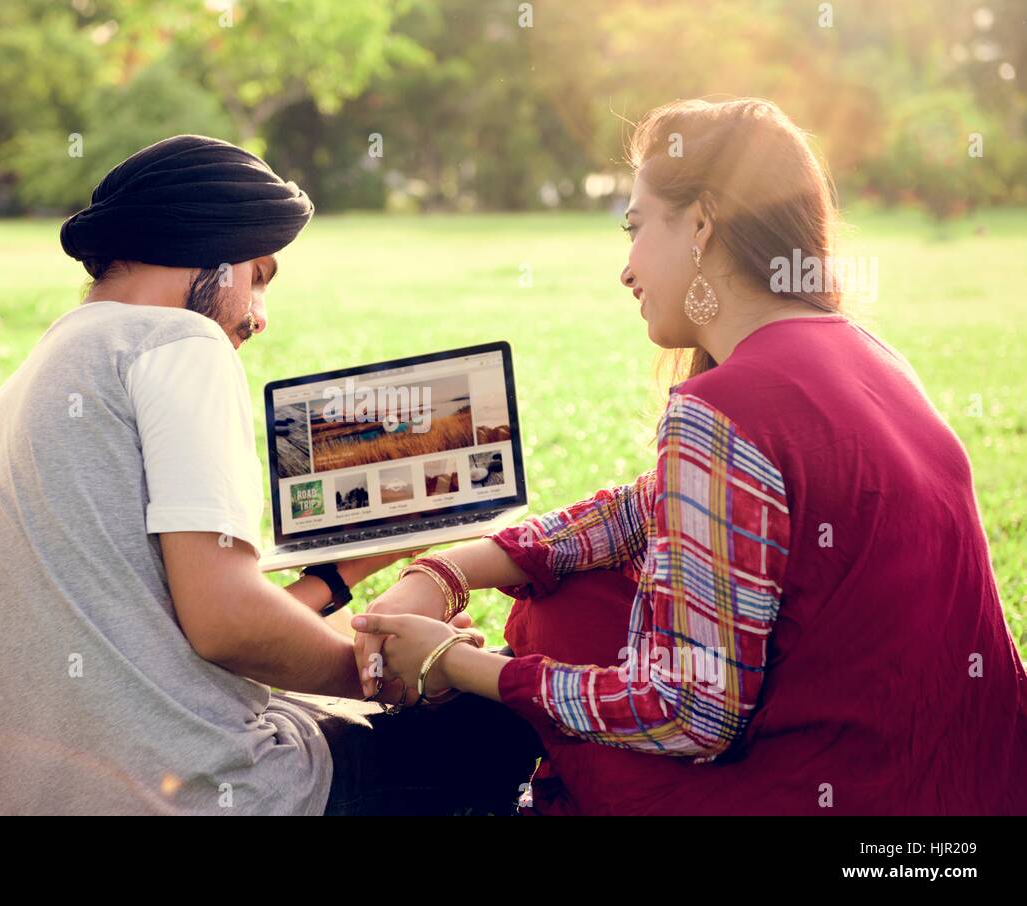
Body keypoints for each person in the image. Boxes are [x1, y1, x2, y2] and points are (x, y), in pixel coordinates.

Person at [353, 98, 1027, 816]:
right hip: (971, 785)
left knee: (549, 623)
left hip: (850, 798)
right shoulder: (864, 351)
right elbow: (643, 510)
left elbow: (690, 713)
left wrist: (453, 661)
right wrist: (444, 570)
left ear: (701, 224)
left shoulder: (729, 403)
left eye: (636, 227)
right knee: (580, 598)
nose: (626, 269)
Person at [0, 135, 540, 815]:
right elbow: (226, 625)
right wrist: (400, 672)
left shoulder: (54, 361)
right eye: (258, 275)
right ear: (209, 246)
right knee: (494, 725)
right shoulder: (179, 342)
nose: (259, 316)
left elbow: (172, 636)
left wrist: (339, 574)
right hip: (205, 794)